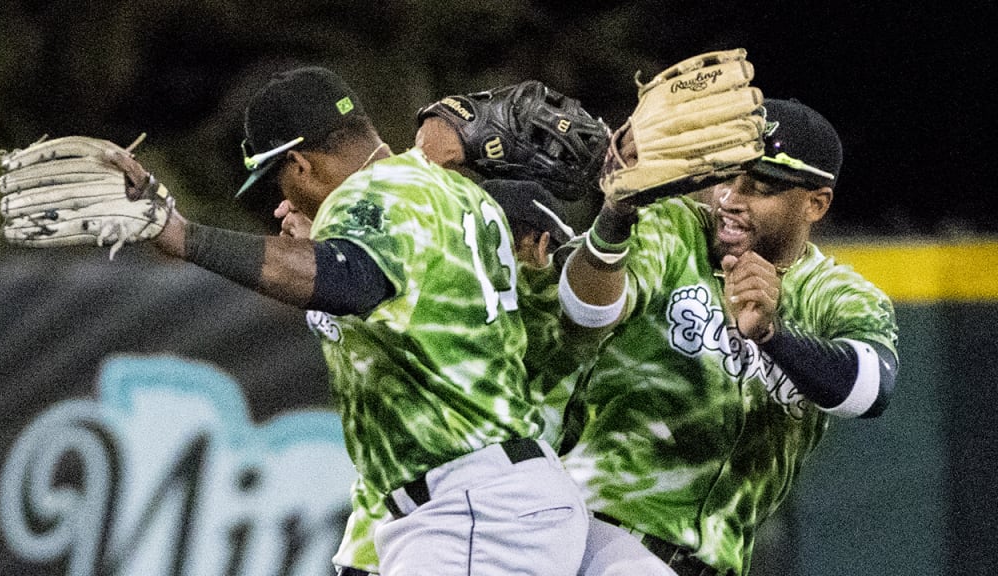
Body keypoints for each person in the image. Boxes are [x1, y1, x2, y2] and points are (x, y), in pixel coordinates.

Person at [105, 66, 593, 575]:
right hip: (485, 499)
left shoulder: (369, 194)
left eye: (277, 180)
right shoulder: (453, 191)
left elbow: (349, 279)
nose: (279, 203)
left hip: (472, 504)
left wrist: (183, 236)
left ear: (299, 165)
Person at [263, 81, 612, 576]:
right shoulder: (420, 242)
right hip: (421, 519)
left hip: (485, 506)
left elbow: (587, 301)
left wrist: (619, 215)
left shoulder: (526, 300)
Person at [557, 98, 900, 576]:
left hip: (711, 562)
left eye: (759, 187)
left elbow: (870, 392)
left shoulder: (834, 293)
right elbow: (587, 311)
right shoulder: (674, 227)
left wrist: (774, 335)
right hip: (593, 530)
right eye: (725, 175)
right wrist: (614, 218)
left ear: (816, 203)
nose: (730, 198)